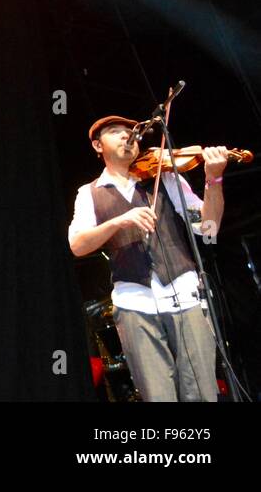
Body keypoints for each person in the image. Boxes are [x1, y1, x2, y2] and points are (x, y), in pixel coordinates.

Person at [69, 116, 227, 402]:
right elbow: (78, 246)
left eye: (131, 132)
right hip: (134, 303)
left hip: (185, 295)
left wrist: (213, 179)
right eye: (116, 133)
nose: (128, 137)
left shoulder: (165, 177)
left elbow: (209, 228)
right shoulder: (88, 194)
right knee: (158, 396)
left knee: (202, 393)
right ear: (97, 145)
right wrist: (118, 222)